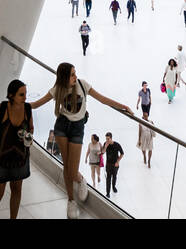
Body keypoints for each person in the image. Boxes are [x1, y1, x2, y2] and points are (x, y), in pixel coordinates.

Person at [40, 63, 130, 218]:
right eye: (72, 74)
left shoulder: (82, 84)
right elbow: (37, 103)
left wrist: (123, 106)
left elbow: (102, 99)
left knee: (71, 170)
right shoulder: (58, 89)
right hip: (61, 127)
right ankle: (70, 201)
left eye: (75, 73)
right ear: (64, 77)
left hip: (77, 129)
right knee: (67, 166)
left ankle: (81, 179)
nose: (75, 76)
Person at [0, 79, 34, 219]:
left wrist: (29, 138)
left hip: (20, 159)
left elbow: (31, 128)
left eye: (25, 94)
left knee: (16, 190)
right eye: (21, 94)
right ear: (11, 95)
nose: (25, 98)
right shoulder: (0, 109)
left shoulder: (28, 109)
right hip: (0, 159)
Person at [102, 132, 124, 197]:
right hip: (108, 164)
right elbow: (102, 152)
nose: (107, 140)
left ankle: (114, 187)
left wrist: (118, 161)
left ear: (111, 138)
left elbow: (122, 153)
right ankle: (108, 192)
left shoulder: (117, 145)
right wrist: (105, 147)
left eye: (108, 139)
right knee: (108, 178)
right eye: (106, 139)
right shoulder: (105, 144)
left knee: (114, 176)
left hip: (115, 164)